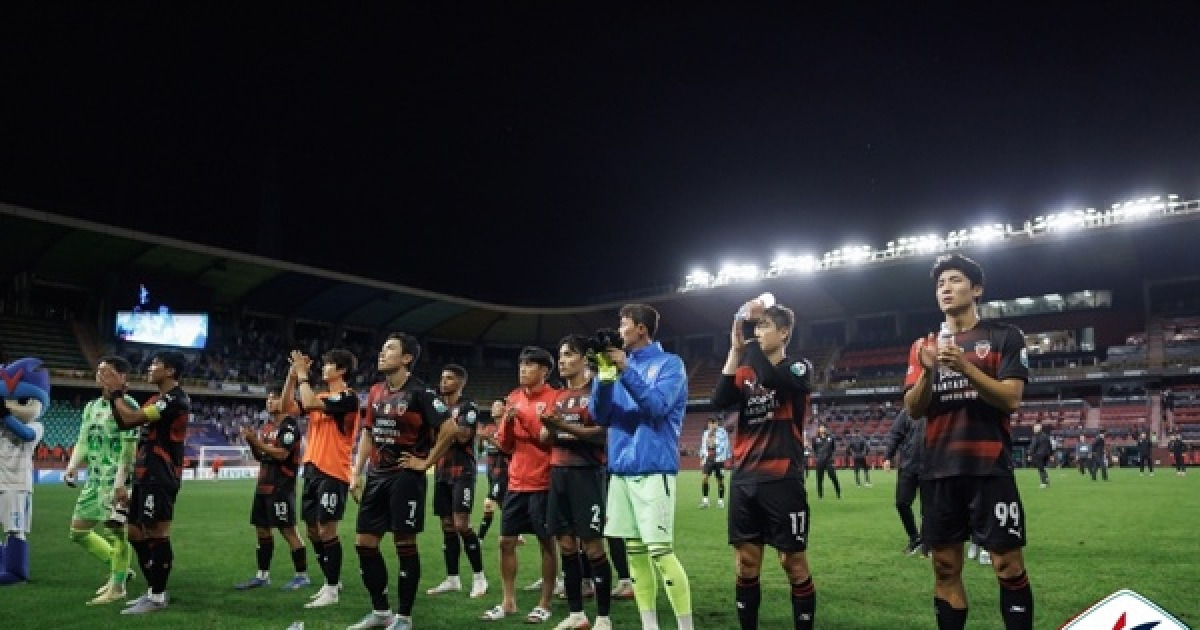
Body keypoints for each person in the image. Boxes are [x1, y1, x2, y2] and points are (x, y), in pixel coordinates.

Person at [903, 254, 1033, 630]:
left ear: (976, 289)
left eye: (955, 280)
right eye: (940, 283)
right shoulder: (922, 345)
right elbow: (913, 409)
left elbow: (1010, 398)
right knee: (945, 567)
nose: (945, 288)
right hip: (939, 470)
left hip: (989, 467)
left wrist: (965, 368)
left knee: (1007, 565)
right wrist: (928, 373)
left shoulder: (1004, 336)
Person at [711, 299, 817, 629]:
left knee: (792, 562)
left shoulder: (798, 367)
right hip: (745, 478)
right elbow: (719, 400)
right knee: (746, 562)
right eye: (755, 327)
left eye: (764, 326)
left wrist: (751, 350)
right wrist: (734, 351)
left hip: (783, 478)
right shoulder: (745, 373)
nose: (756, 333)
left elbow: (773, 379)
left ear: (784, 333)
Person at [590, 303, 693, 630]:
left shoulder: (670, 364)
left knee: (660, 551)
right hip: (620, 471)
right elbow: (600, 416)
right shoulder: (619, 366)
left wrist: (624, 371)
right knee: (634, 552)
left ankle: (685, 627)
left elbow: (657, 407)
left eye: (623, 325)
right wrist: (604, 379)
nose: (619, 331)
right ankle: (650, 626)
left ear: (641, 329)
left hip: (654, 468)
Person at [349, 333, 456, 630]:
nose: (382, 353)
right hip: (376, 476)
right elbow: (368, 433)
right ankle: (381, 612)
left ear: (407, 358)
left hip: (405, 478)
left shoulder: (421, 393)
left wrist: (426, 462)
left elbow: (449, 429)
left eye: (390, 349)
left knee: (403, 543)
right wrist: (356, 472)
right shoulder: (375, 392)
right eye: (382, 348)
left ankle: (404, 617)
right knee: (364, 544)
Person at [101, 351, 192, 615]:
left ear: (171, 371)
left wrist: (118, 395)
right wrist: (112, 399)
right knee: (135, 533)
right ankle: (153, 590)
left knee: (157, 532)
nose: (150, 368)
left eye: (155, 364)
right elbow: (124, 424)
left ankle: (157, 595)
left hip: (161, 474)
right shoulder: (157, 399)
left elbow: (131, 419)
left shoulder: (175, 400)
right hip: (145, 473)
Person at [480, 346, 559, 624]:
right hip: (517, 481)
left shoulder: (553, 399)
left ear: (544, 371)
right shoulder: (513, 396)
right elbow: (504, 444)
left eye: (529, 365)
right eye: (521, 365)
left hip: (544, 481)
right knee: (505, 542)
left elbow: (547, 439)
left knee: (547, 543)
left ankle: (545, 603)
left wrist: (522, 418)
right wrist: (508, 425)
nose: (523, 369)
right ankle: (508, 601)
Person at [540, 335, 614, 630]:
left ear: (585, 359)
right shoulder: (556, 397)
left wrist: (562, 427)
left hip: (587, 473)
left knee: (593, 546)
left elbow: (602, 435)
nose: (562, 360)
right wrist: (548, 429)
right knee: (566, 544)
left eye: (569, 354)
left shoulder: (597, 391)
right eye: (560, 355)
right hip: (558, 473)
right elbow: (547, 438)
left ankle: (604, 617)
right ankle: (576, 614)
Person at [63, 356, 140, 604]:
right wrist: (72, 466)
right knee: (78, 531)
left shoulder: (128, 405)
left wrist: (120, 483)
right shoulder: (92, 407)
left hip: (115, 482)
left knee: (117, 534)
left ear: (121, 377)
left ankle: (117, 587)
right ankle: (121, 569)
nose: (100, 374)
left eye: (106, 371)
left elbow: (129, 450)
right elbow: (84, 440)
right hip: (94, 482)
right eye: (98, 370)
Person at [291, 348, 361, 609]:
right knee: (312, 529)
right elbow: (289, 406)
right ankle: (331, 581)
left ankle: (332, 589)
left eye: (329, 364)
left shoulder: (348, 398)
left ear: (341, 370)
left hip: (333, 471)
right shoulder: (321, 396)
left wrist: (302, 375)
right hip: (311, 469)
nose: (324, 368)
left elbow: (308, 403)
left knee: (326, 529)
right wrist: (292, 376)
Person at [234, 381, 310, 592]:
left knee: (288, 531)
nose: (269, 401)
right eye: (268, 398)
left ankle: (302, 575)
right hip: (263, 486)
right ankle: (262, 576)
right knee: (262, 531)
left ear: (286, 401)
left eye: (274, 397)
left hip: (281, 487)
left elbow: (282, 454)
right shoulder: (268, 428)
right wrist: (251, 442)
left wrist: (257, 444)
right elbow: (261, 455)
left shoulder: (289, 427)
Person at [426, 364, 488, 599]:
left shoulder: (468, 406)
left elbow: (462, 436)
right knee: (447, 526)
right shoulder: (439, 408)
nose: (444, 382)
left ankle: (479, 577)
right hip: (442, 471)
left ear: (460, 383)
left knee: (462, 524)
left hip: (463, 471)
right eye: (442, 377)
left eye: (450, 378)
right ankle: (452, 579)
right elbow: (430, 436)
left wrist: (441, 429)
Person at [882, 409, 926, 556]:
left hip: (932, 465)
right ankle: (915, 538)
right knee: (902, 503)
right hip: (908, 464)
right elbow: (895, 434)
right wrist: (888, 456)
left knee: (928, 508)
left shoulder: (936, 407)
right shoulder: (908, 411)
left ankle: (927, 542)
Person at [698, 416, 730, 508]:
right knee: (704, 478)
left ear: (716, 424)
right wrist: (702, 457)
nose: (711, 425)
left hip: (719, 459)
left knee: (720, 480)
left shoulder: (723, 432)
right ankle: (705, 501)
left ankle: (720, 501)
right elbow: (703, 445)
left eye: (713, 423)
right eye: (710, 423)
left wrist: (726, 458)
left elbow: (726, 445)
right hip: (708, 459)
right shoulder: (705, 433)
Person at [810, 425, 840, 499]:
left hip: (829, 461)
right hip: (820, 461)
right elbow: (814, 449)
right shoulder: (815, 439)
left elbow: (833, 448)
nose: (822, 429)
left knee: (833, 477)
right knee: (819, 479)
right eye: (820, 428)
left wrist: (831, 457)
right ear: (818, 429)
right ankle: (820, 496)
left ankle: (838, 493)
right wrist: (817, 457)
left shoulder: (830, 438)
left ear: (826, 429)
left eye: (823, 427)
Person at [1028, 424, 1052, 488]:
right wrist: (1051, 454)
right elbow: (1050, 445)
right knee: (1043, 468)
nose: (1033, 429)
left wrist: (1030, 454)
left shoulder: (1035, 436)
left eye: (1034, 428)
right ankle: (1046, 478)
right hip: (1046, 454)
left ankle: (1043, 482)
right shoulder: (1046, 436)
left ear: (1038, 429)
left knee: (1040, 469)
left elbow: (1033, 446)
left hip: (1039, 455)